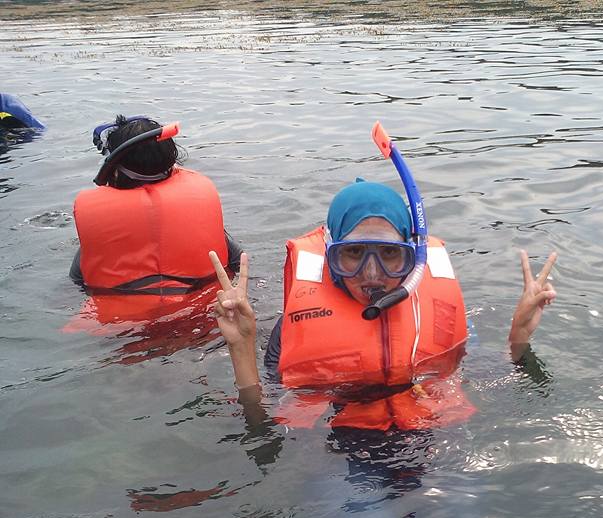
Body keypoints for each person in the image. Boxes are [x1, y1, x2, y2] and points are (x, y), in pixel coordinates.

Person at [210, 126, 556, 432]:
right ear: (331, 257)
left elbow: (488, 378)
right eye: (354, 254)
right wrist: (241, 348)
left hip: (430, 440)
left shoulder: (441, 311)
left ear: (414, 257)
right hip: (342, 448)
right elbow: (261, 422)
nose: (372, 275)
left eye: (390, 255)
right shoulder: (292, 328)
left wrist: (519, 338)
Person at [67, 114, 241, 328]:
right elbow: (237, 263)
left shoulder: (96, 220)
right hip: (202, 318)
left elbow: (77, 280)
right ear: (172, 160)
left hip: (123, 328)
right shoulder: (197, 200)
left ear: (112, 166)